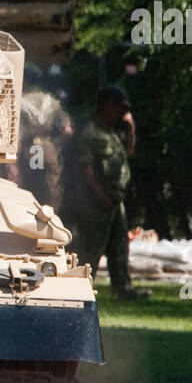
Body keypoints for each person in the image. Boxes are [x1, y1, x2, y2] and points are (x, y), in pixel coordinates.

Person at [61, 85, 151, 299]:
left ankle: (124, 289)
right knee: (90, 248)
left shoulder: (111, 133)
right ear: (105, 105)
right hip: (94, 201)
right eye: (119, 108)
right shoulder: (89, 132)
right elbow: (85, 167)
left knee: (119, 247)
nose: (121, 113)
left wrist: (130, 128)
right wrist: (99, 194)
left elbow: (129, 152)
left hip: (114, 200)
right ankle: (79, 289)